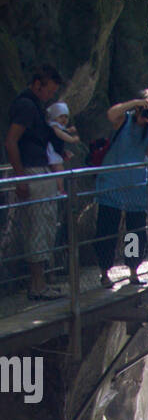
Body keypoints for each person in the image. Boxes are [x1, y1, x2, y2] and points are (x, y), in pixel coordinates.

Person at [4, 63, 65, 299]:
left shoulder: (33, 105)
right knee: (37, 228)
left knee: (44, 225)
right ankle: (37, 286)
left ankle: (40, 283)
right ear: (38, 84)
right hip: (32, 172)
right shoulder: (26, 106)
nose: (51, 96)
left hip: (39, 170)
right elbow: (11, 141)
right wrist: (21, 177)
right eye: (49, 90)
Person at [93, 90, 148, 287]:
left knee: (135, 233)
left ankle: (133, 270)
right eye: (143, 109)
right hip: (111, 186)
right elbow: (111, 114)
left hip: (135, 189)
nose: (145, 114)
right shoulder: (124, 120)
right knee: (107, 230)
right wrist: (135, 102)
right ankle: (104, 273)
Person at [45, 102, 80, 169]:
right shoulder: (54, 126)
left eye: (66, 117)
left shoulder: (58, 126)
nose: (64, 119)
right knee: (59, 168)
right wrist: (71, 139)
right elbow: (61, 134)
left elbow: (62, 131)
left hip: (57, 151)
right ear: (54, 117)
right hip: (52, 152)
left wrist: (68, 130)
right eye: (61, 116)